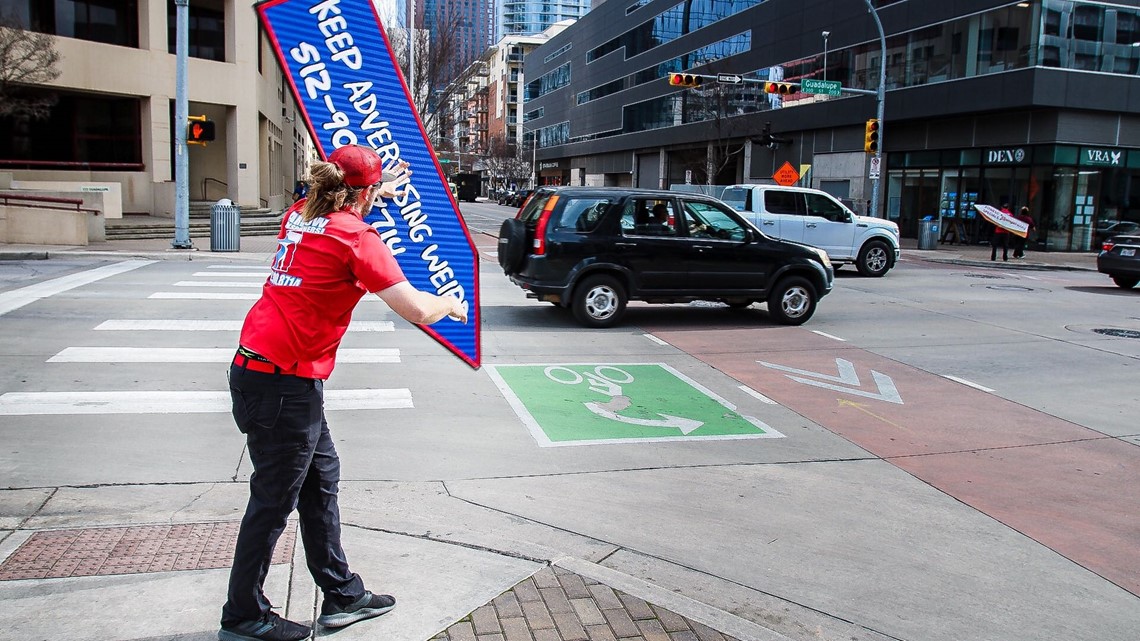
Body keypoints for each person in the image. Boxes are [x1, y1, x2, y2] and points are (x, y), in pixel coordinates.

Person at [220, 144, 467, 641]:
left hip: (265, 375)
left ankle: (342, 595)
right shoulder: (357, 239)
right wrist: (450, 305)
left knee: (320, 481)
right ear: (365, 193)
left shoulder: (300, 215)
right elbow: (416, 309)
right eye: (376, 191)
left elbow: (335, 204)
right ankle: (243, 615)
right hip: (283, 385)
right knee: (272, 503)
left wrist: (381, 190)